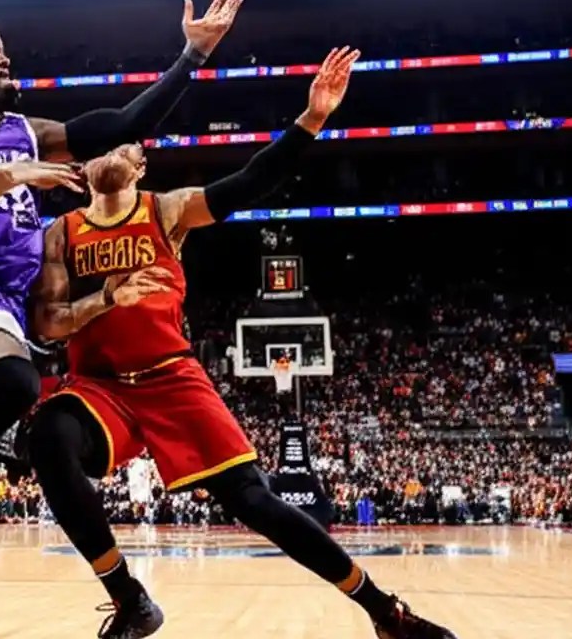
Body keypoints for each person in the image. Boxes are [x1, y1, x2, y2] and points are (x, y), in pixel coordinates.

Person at [27, 47, 458, 639]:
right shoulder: (60, 233)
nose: (109, 149)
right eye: (100, 143)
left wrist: (310, 120)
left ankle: (384, 611)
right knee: (47, 437)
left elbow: (252, 180)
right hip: (101, 388)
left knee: (255, 501)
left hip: (171, 377)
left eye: (122, 144)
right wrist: (107, 297)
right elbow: (48, 324)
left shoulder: (168, 211)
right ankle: (130, 599)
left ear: (139, 162)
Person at [0, 0, 245, 620]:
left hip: (15, 299)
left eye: (3, 48)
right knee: (13, 381)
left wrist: (192, 54)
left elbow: (119, 124)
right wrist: (18, 174)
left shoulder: (24, 130)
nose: (3, 59)